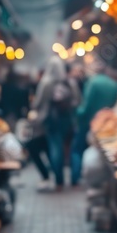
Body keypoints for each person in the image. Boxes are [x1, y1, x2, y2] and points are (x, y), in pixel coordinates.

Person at [31, 56, 78, 191]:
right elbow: (77, 101)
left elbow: (38, 103)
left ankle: (59, 181)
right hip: (67, 120)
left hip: (52, 120)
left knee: (55, 149)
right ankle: (73, 179)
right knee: (67, 148)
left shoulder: (46, 82)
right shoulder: (70, 82)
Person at [71, 60, 117, 185]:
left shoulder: (93, 83)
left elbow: (86, 105)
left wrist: (78, 114)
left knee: (77, 149)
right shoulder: (114, 84)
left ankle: (75, 177)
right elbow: (115, 104)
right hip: (107, 122)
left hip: (89, 121)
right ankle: (100, 181)